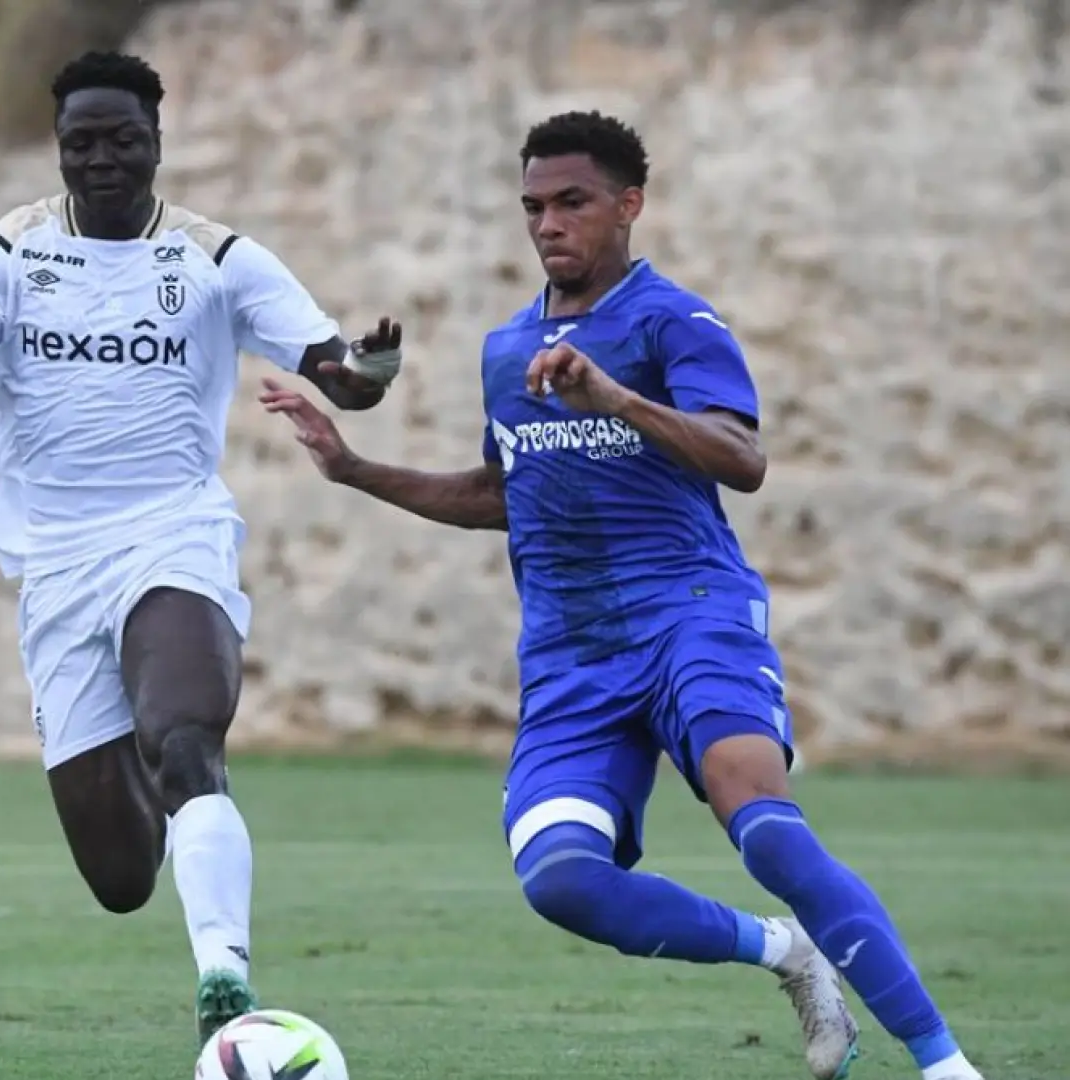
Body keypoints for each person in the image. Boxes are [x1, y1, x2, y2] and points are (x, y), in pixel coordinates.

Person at [262, 110, 981, 1080]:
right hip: (568, 649)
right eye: (533, 207)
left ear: (627, 205)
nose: (549, 224)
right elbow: (502, 495)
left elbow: (743, 458)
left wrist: (618, 398)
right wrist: (355, 470)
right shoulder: (507, 349)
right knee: (561, 881)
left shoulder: (674, 322)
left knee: (761, 821)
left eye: (573, 203)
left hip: (690, 613)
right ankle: (785, 952)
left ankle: (944, 1064)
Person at [0, 50, 404, 1044]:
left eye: (122, 139)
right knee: (123, 876)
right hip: (56, 572)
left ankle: (226, 983)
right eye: (81, 142)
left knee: (187, 741)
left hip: (174, 533)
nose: (102, 159)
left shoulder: (217, 260)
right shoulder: (3, 255)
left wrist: (368, 370)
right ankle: (170, 781)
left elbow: (335, 367)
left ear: (157, 142)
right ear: (59, 148)